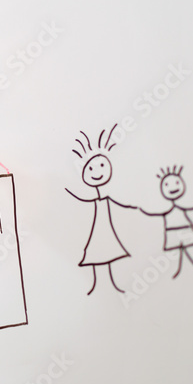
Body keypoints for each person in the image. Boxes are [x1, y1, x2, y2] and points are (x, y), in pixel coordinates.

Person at [65, 126, 136, 295]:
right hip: (98, 229)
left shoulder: (106, 199)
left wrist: (131, 207)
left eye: (101, 165)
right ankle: (96, 283)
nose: (96, 172)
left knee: (107, 251)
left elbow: (119, 203)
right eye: (90, 169)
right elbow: (84, 199)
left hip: (106, 229)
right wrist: (72, 194)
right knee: (97, 253)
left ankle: (112, 282)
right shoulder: (97, 200)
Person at [140, 166, 193, 279]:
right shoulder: (166, 209)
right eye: (167, 185)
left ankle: (191, 263)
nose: (173, 187)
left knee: (186, 246)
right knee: (178, 249)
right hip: (172, 229)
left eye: (177, 182)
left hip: (183, 226)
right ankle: (180, 267)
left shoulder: (181, 206)